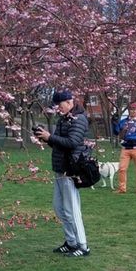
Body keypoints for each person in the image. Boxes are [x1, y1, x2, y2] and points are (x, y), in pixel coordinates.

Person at [33, 90, 90, 257]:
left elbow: (72, 142)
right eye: (57, 106)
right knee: (59, 208)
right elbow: (58, 144)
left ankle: (83, 245)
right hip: (60, 169)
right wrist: (45, 138)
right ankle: (71, 242)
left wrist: (50, 137)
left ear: (69, 102)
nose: (59, 108)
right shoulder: (63, 120)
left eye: (60, 105)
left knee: (72, 209)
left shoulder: (79, 119)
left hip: (71, 170)